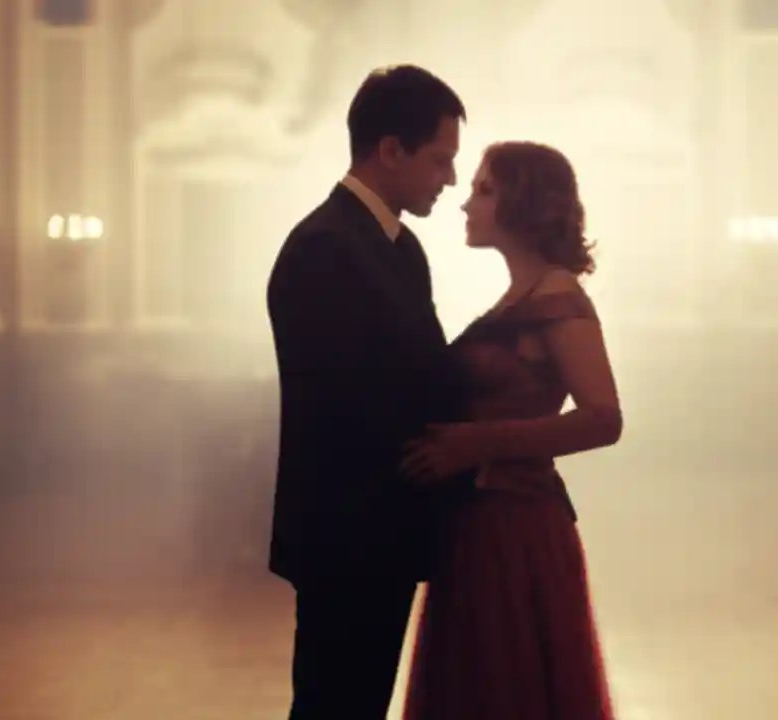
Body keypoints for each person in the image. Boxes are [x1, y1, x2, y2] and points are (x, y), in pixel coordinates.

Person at [266, 64, 472, 719]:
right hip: (347, 534)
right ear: (390, 150)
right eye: (441, 159)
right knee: (335, 706)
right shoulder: (324, 247)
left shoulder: (396, 246)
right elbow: (353, 404)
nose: (451, 178)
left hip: (379, 530)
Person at [401, 141, 622, 719]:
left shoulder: (557, 296)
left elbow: (604, 418)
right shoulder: (519, 297)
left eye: (484, 190)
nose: (466, 203)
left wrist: (477, 444)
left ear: (524, 203)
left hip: (517, 524)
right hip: (481, 521)